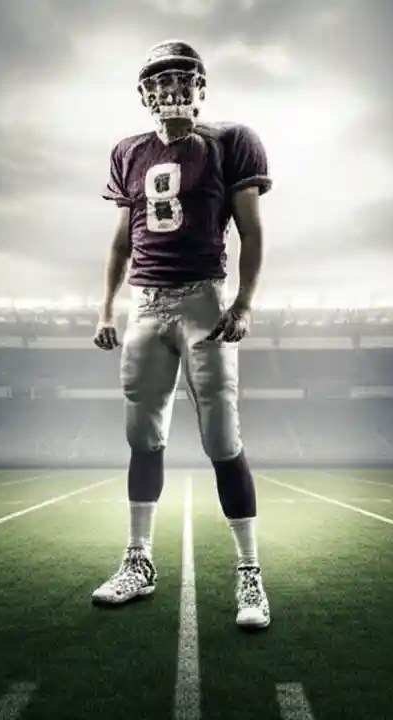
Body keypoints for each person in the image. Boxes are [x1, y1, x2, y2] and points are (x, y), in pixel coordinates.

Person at [90, 40, 272, 630]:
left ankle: (250, 574)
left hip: (202, 299)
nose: (171, 88)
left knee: (221, 436)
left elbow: (251, 230)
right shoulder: (128, 151)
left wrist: (244, 303)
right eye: (159, 79)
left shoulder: (231, 141)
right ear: (144, 93)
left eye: (181, 77)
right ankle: (139, 562)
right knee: (143, 435)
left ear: (200, 84)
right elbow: (121, 241)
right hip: (145, 305)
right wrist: (104, 310)